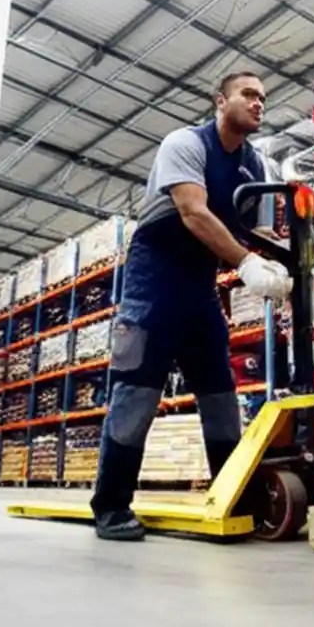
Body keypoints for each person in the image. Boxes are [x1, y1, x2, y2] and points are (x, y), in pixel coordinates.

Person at [90, 71, 292, 541]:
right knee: (137, 392)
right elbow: (193, 212)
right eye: (248, 95)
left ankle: (233, 497)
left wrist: (290, 265)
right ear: (220, 101)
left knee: (220, 396)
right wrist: (246, 265)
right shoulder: (184, 143)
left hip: (200, 288)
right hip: (155, 282)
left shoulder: (254, 167)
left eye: (263, 97)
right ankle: (111, 506)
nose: (258, 103)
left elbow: (257, 234)